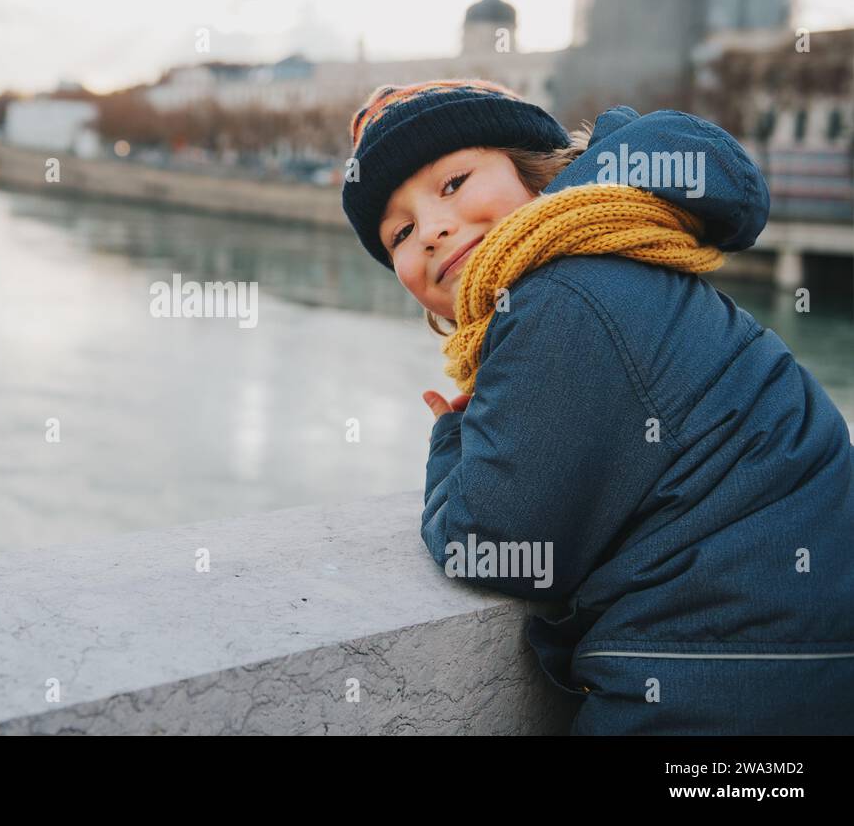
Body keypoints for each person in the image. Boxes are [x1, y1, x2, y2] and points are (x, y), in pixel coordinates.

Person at [341, 79, 854, 734]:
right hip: (777, 661)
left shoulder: (558, 297)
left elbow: (499, 539)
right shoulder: (606, 266)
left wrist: (450, 439)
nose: (434, 228)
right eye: (401, 232)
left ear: (535, 171)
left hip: (721, 683)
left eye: (453, 183)